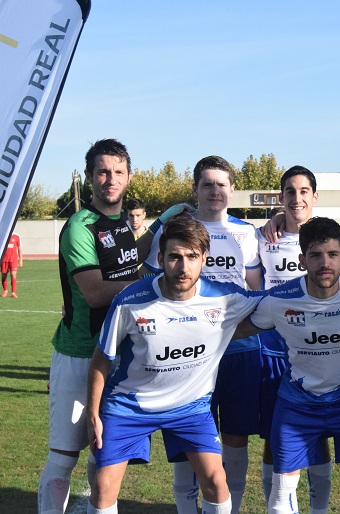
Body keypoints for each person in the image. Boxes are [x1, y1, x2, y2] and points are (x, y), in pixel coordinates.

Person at [39, 138, 186, 514]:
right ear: (89, 177)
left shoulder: (120, 222)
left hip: (117, 355)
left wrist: (160, 225)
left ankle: (92, 507)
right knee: (63, 456)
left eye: (118, 171)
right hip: (79, 354)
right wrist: (157, 284)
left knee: (102, 447)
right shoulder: (79, 227)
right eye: (102, 171)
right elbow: (95, 292)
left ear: (128, 176)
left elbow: (128, 256)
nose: (110, 179)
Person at [86, 215, 265, 514]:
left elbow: (283, 300)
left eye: (192, 257)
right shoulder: (131, 300)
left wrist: (329, 275)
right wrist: (93, 413)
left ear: (204, 259)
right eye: (175, 257)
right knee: (104, 486)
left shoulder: (225, 298)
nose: (183, 267)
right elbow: (101, 358)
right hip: (130, 406)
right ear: (160, 258)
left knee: (216, 480)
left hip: (189, 407)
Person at [245, 217, 340, 514]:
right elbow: (239, 327)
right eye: (316, 255)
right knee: (281, 490)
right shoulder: (278, 300)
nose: (325, 263)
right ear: (302, 260)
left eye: (333, 255)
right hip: (298, 403)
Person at [143, 155, 261, 513]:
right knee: (186, 440)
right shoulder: (173, 231)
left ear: (232, 189)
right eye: (207, 184)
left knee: (235, 439)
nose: (215, 191)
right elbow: (149, 284)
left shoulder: (247, 233)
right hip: (188, 353)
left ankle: (232, 507)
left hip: (238, 350)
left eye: (221, 184)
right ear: (194, 189)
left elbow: (257, 291)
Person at [255, 166, 340, 513]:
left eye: (304, 191)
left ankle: (319, 508)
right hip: (273, 349)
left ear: (314, 197)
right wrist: (273, 219)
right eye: (290, 192)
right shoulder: (262, 236)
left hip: (322, 345)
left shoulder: (337, 236)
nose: (297, 198)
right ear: (281, 197)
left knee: (319, 437)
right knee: (278, 439)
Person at [2, 231, 22, 298]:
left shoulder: (16, 236)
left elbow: (19, 248)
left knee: (13, 275)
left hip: (13, 260)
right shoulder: (3, 236)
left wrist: (21, 260)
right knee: (4, 275)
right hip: (4, 259)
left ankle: (13, 292)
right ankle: (5, 290)